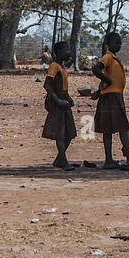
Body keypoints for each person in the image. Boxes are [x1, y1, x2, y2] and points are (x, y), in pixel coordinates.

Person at [90, 32, 129, 169]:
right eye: (115, 43)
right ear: (108, 44)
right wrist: (107, 80)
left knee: (112, 129)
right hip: (111, 96)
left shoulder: (113, 58)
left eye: (119, 43)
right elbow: (96, 69)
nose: (118, 45)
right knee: (121, 127)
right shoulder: (107, 57)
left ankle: (110, 159)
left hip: (113, 95)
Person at [42, 41, 78, 170]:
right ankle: (63, 160)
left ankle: (60, 159)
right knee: (60, 133)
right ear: (57, 53)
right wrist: (57, 100)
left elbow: (64, 88)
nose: (69, 52)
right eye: (66, 49)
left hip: (64, 102)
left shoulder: (62, 68)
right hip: (57, 103)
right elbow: (47, 85)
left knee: (69, 132)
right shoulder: (54, 66)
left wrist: (69, 99)